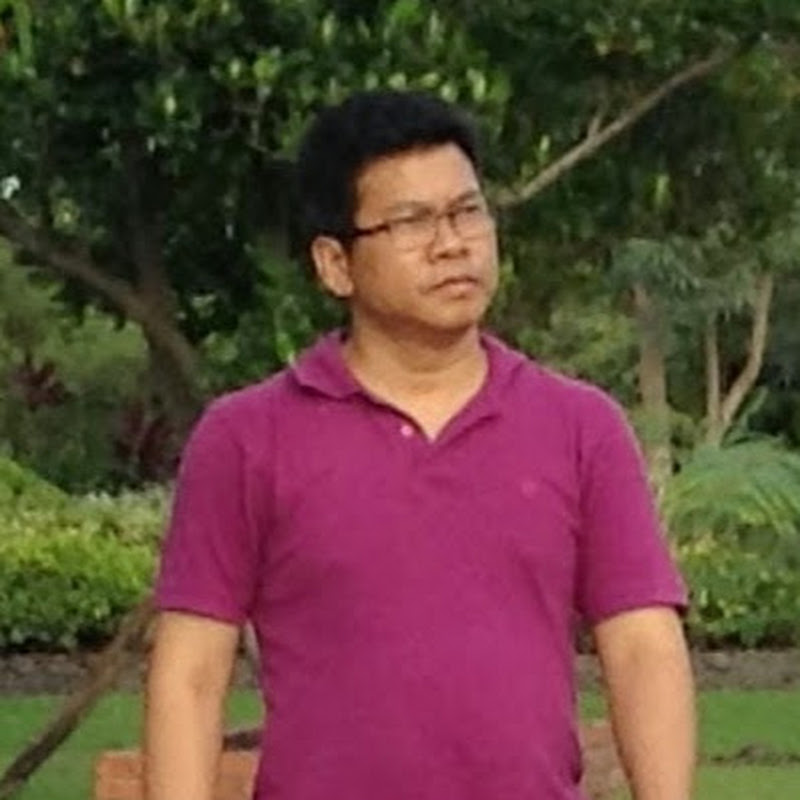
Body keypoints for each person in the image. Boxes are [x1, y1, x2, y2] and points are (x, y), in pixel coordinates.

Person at [144, 90, 695, 800]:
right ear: (335, 264)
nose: (452, 244)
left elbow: (643, 648)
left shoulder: (580, 427)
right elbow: (190, 674)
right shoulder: (247, 438)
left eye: (468, 212)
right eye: (411, 222)